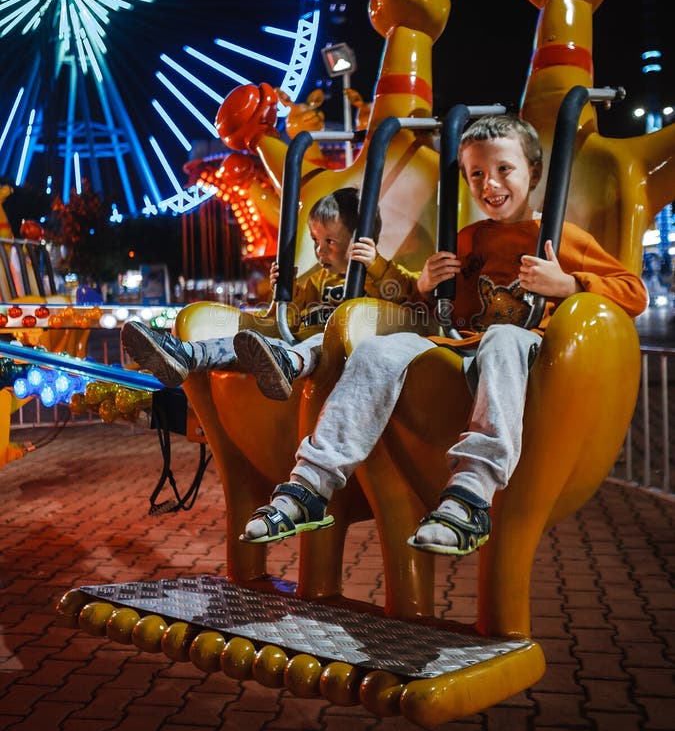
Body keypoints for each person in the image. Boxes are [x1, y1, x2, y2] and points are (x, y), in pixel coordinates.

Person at [240, 114, 648, 554]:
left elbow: (633, 291)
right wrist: (425, 286)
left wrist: (567, 285)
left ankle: (472, 492)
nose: (490, 183)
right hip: (463, 347)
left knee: (504, 337)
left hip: (527, 350)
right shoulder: (467, 239)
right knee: (377, 351)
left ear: (534, 172)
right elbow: (435, 314)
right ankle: (309, 485)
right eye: (477, 174)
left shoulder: (561, 238)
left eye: (503, 169)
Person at [121, 187, 421, 399]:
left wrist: (375, 264)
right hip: (297, 348)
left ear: (360, 241)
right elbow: (287, 322)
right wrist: (283, 293)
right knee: (250, 342)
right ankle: (186, 355)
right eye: (316, 241)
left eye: (330, 241)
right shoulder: (315, 283)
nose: (320, 251)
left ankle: (286, 363)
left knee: (321, 340)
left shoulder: (380, 275)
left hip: (339, 356)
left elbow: (407, 295)